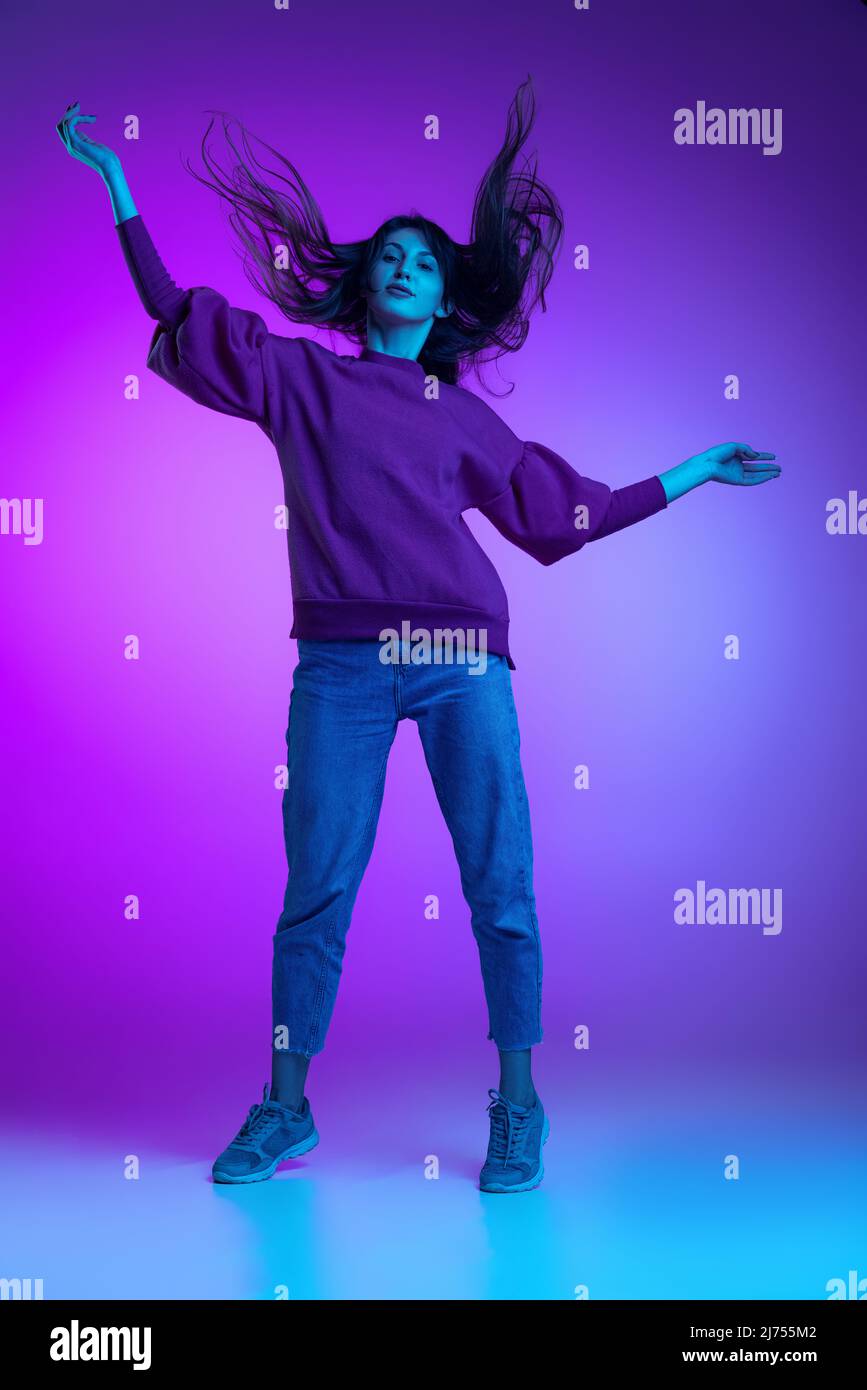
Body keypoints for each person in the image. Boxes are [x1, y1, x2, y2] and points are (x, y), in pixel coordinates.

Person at [56, 79, 780, 1193]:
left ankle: (521, 1106)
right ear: (363, 286)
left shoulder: (460, 418)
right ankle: (285, 1109)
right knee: (318, 888)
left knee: (502, 884)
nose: (401, 264)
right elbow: (175, 310)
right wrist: (117, 190)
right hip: (339, 667)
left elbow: (565, 513)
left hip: (459, 665)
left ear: (442, 302)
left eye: (424, 260)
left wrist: (696, 469)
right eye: (388, 254)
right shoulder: (300, 379)